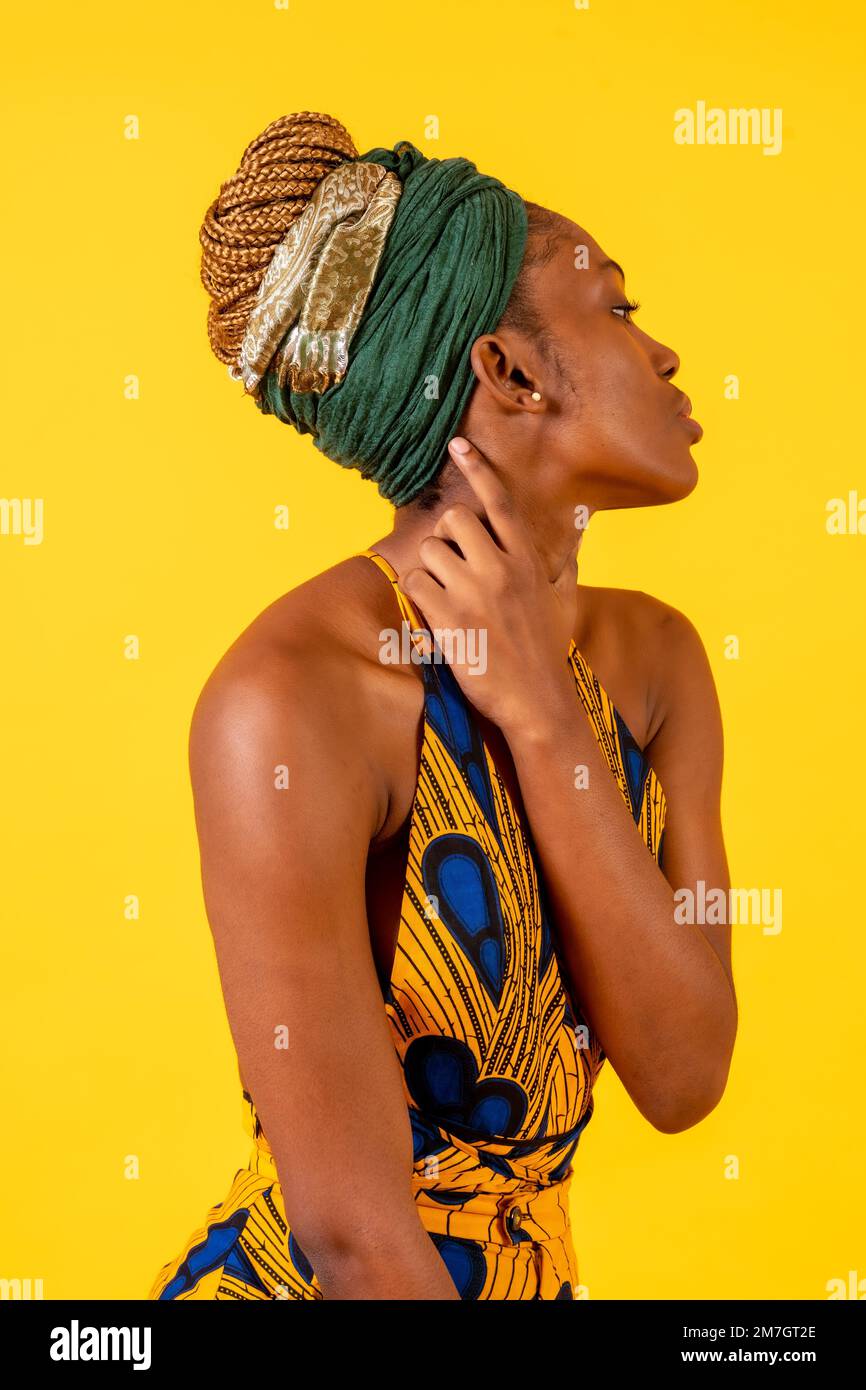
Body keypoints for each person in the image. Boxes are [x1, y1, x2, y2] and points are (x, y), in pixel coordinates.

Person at [148, 111, 737, 1301]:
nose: (665, 353)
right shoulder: (292, 701)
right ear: (506, 373)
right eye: (617, 310)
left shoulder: (655, 661)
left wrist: (539, 713)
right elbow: (357, 1243)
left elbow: (683, 1073)